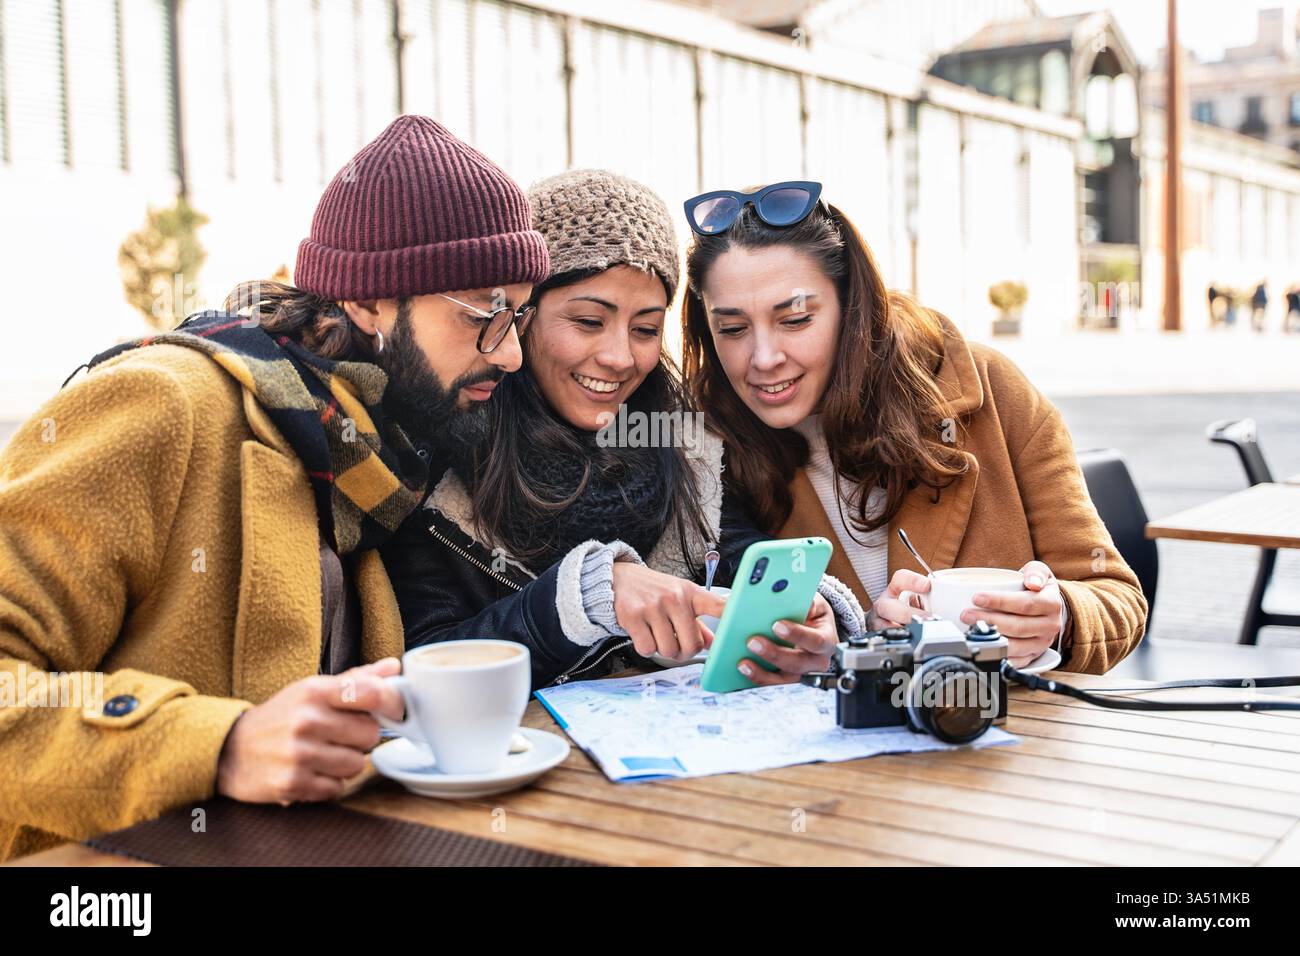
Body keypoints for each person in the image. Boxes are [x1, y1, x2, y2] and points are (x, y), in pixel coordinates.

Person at [0, 116, 549, 860]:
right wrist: (217, 744)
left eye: (519, 315)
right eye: (486, 315)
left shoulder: (372, 456)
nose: (511, 353)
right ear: (369, 304)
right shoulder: (165, 404)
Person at [383, 170, 863, 689]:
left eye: (645, 330)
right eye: (589, 321)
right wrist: (582, 598)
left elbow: (738, 563)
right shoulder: (438, 458)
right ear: (523, 317)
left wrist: (810, 616)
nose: (619, 358)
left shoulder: (686, 448)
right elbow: (418, 663)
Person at [680, 182, 1147, 674]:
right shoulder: (706, 447)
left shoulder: (990, 390)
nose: (764, 359)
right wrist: (861, 640)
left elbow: (1117, 597)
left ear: (852, 306)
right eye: (732, 329)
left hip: (1006, 737)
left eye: (795, 320)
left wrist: (1059, 618)